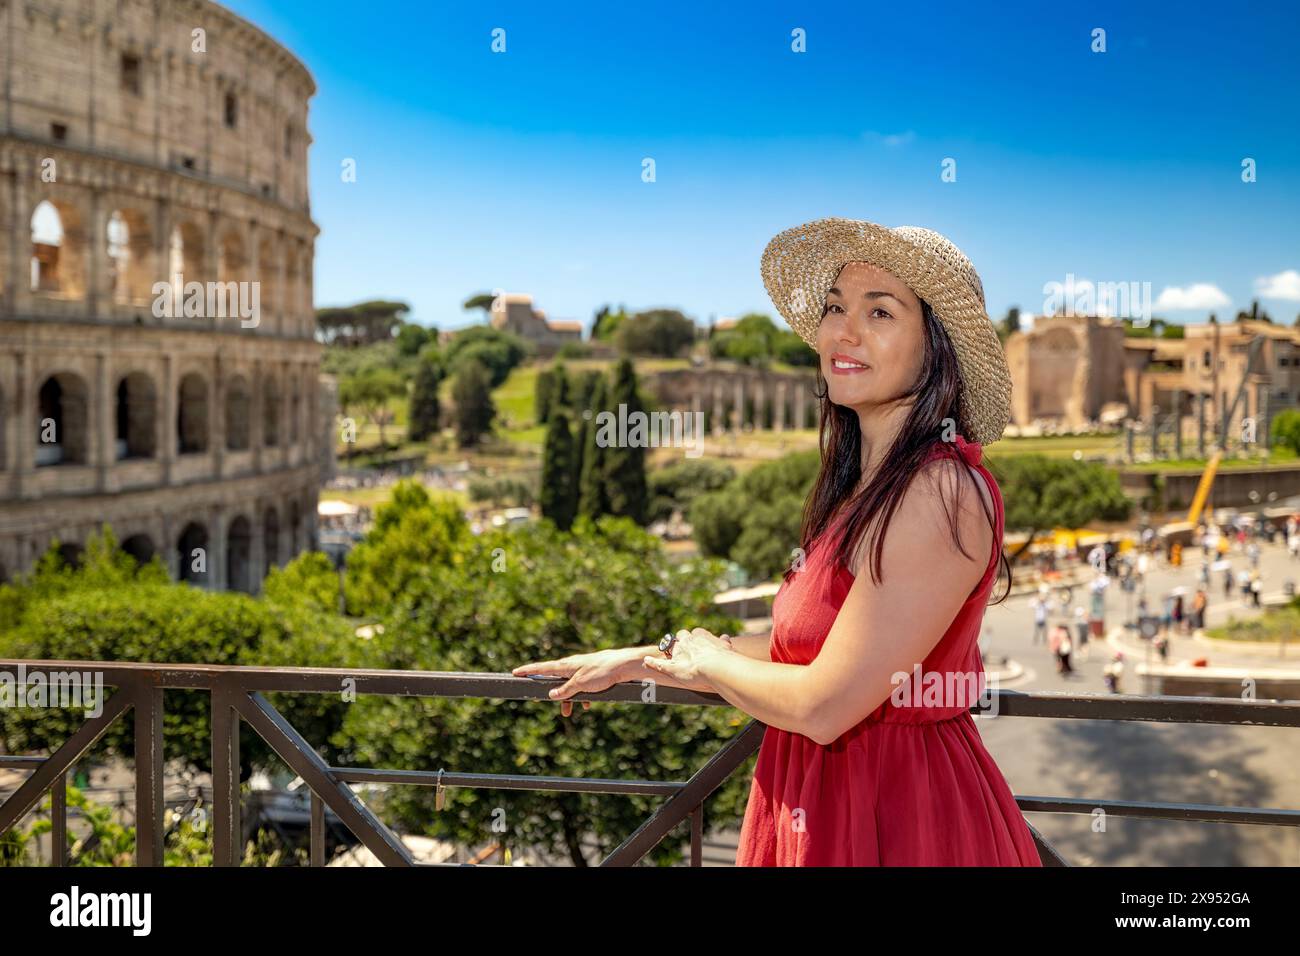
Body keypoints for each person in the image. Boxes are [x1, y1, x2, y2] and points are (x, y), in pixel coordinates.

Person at [514, 217, 1040, 866]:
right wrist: (648, 657)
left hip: (898, 816)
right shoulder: (864, 490)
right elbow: (807, 650)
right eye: (834, 307)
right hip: (819, 800)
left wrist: (706, 663)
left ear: (937, 348)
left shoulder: (940, 493)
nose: (843, 331)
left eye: (880, 311)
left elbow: (823, 704)